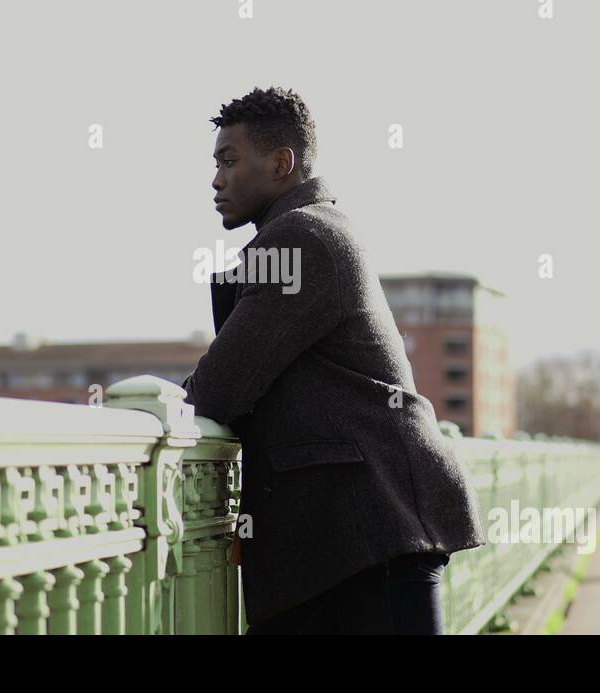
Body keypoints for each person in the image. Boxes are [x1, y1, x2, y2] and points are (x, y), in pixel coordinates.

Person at [181, 86, 486, 634]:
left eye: (229, 160)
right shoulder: (314, 231)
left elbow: (220, 387)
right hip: (346, 540)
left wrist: (162, 418)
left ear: (281, 163)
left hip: (369, 537)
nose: (216, 179)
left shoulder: (301, 240)